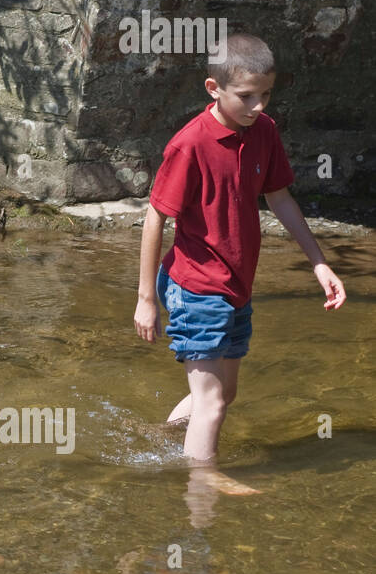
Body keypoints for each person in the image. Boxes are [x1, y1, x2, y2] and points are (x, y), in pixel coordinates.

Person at [133, 33, 345, 489]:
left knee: (224, 393)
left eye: (266, 94)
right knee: (211, 402)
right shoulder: (189, 145)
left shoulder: (264, 132)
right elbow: (155, 218)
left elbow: (280, 197)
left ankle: (162, 438)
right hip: (196, 286)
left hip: (236, 285)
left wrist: (319, 263)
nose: (259, 106)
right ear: (214, 88)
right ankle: (203, 483)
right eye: (247, 96)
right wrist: (146, 298)